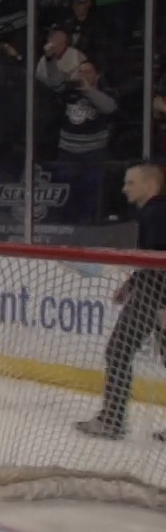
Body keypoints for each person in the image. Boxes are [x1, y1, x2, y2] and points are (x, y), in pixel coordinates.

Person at [78, 164, 166, 440]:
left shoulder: (156, 212)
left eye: (130, 183)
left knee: (118, 351)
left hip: (154, 297)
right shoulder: (153, 212)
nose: (124, 188)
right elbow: (153, 259)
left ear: (150, 185)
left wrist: (163, 305)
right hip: (150, 293)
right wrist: (130, 285)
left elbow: (161, 260)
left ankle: (112, 420)